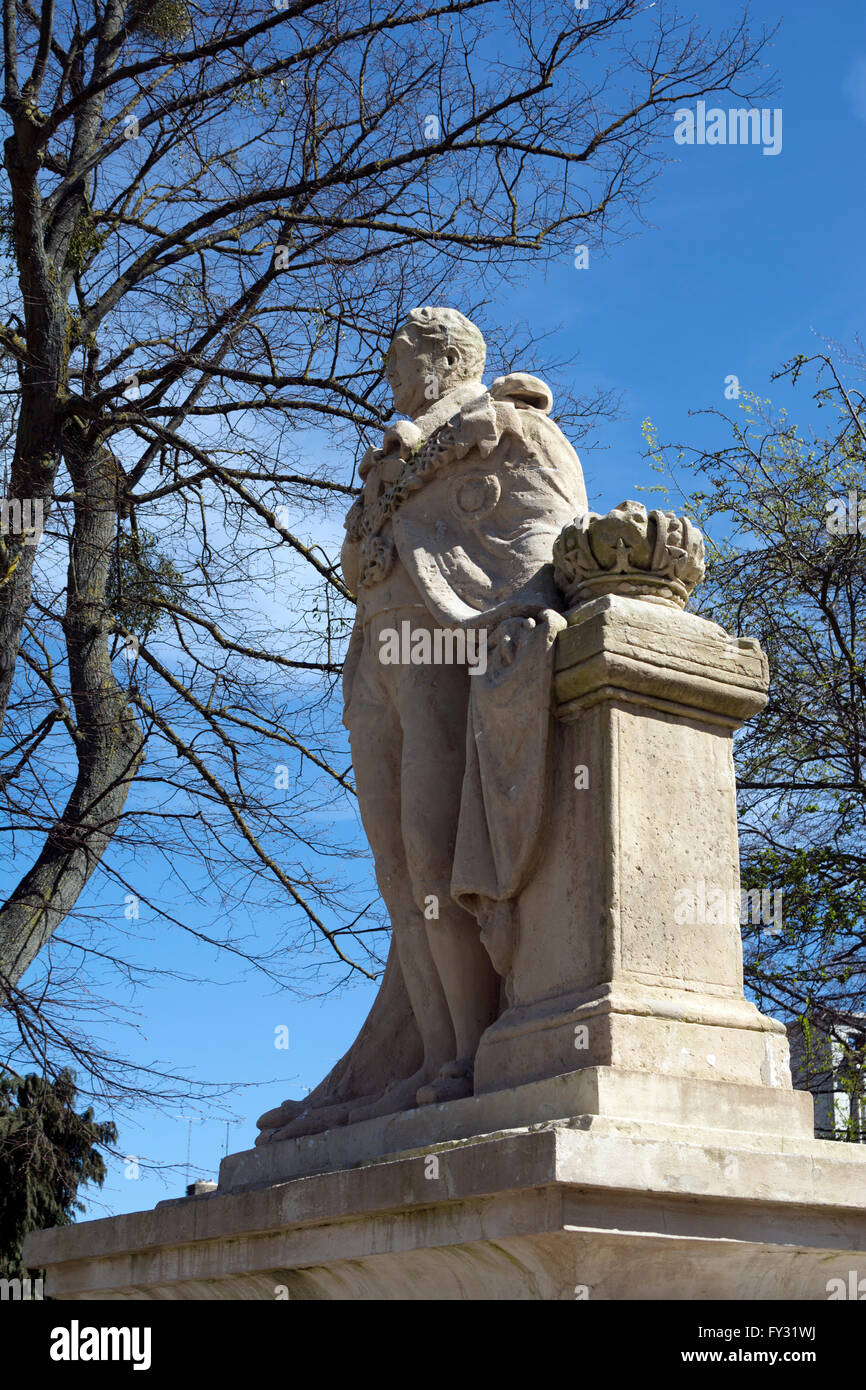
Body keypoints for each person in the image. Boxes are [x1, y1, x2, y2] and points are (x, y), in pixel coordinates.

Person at [257, 307, 587, 1141]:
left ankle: (468, 1057)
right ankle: (434, 1058)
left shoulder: (507, 426)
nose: (390, 374)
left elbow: (542, 539)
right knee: (397, 869)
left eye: (401, 358)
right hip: (377, 662)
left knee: (429, 845)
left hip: (445, 649)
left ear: (442, 358)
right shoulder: (389, 460)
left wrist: (519, 621)